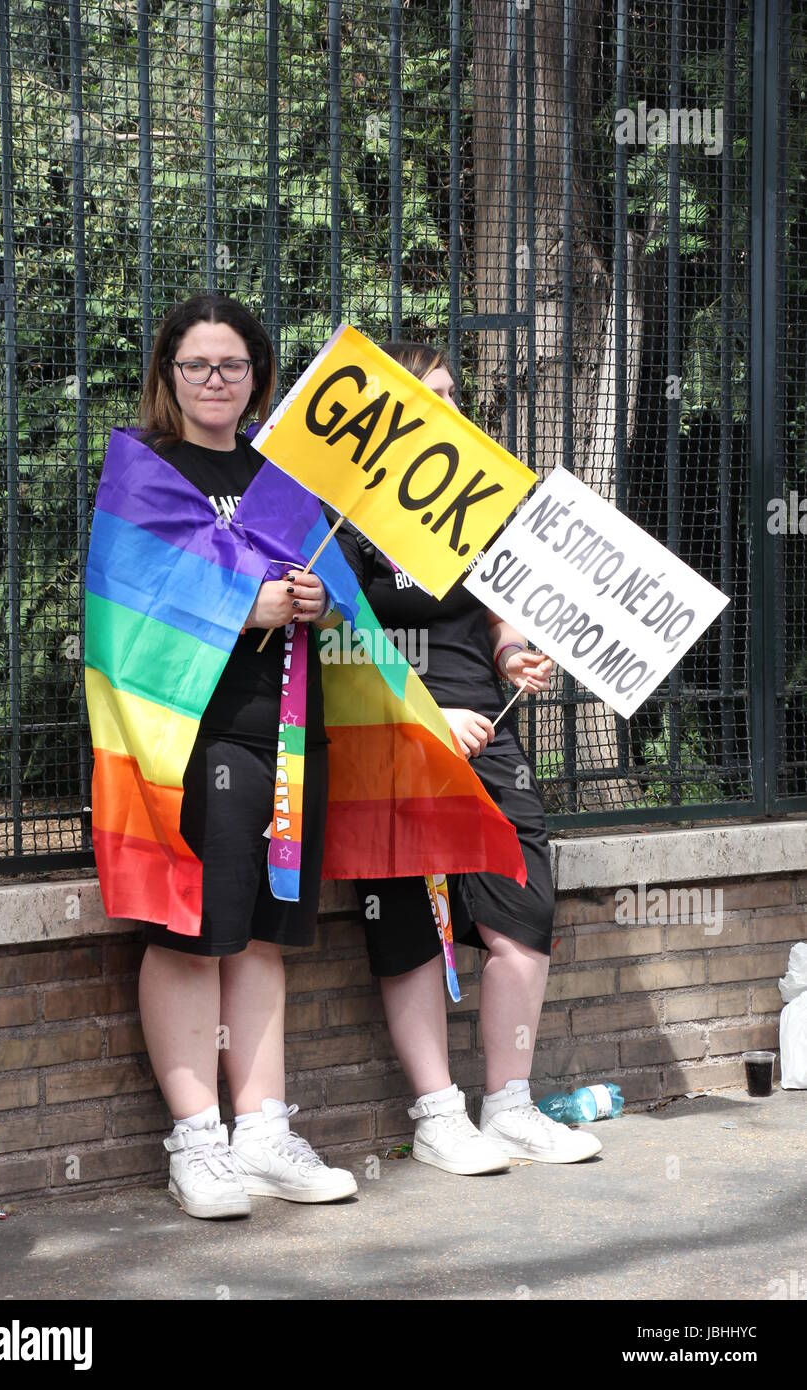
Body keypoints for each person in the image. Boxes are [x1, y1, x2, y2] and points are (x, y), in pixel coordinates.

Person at [129, 292, 370, 1217]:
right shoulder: (145, 469)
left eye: (232, 366)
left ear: (259, 377)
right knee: (190, 932)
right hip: (194, 735)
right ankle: (198, 1143)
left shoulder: (286, 474)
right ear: (169, 377)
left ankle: (262, 1130)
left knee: (269, 930)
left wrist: (315, 600)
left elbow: (343, 599)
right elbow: (130, 606)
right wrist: (243, 607)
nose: (215, 381)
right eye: (197, 366)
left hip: (292, 735)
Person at [354, 342, 602, 1172]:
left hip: (488, 735)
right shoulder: (341, 512)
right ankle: (436, 1116)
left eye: (455, 397)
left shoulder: (475, 502)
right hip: (386, 736)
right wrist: (427, 713)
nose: (451, 411)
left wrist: (512, 657)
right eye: (430, 398)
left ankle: (510, 1105)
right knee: (409, 927)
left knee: (522, 913)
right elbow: (332, 639)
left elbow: (500, 611)